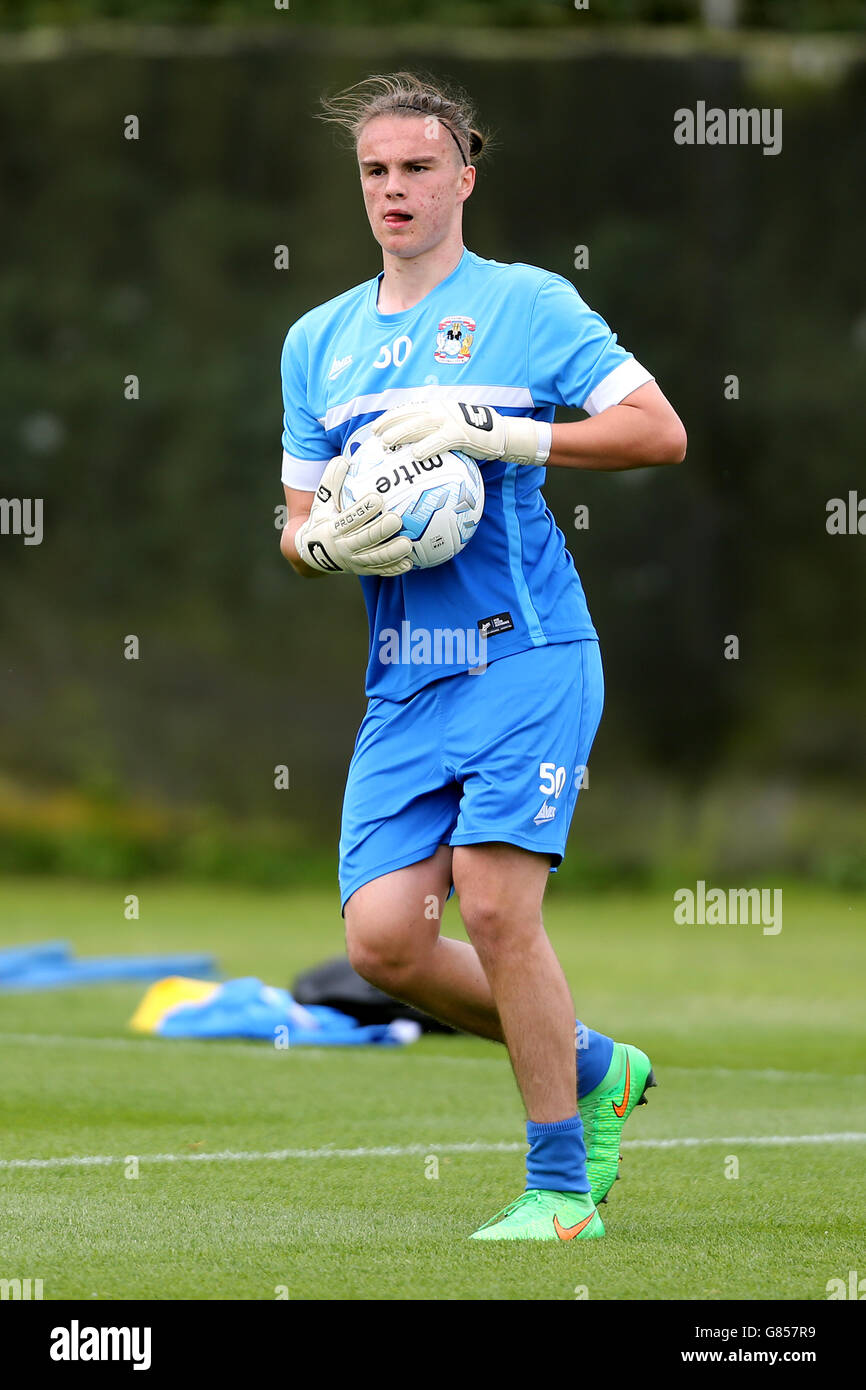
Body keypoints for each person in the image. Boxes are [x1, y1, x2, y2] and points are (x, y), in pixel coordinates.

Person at [279, 71, 685, 1241]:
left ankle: (560, 1191)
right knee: (382, 945)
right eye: (374, 171)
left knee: (501, 912)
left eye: (415, 167)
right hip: (405, 678)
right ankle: (595, 1061)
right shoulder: (318, 341)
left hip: (527, 652)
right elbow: (298, 518)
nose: (394, 189)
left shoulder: (530, 304)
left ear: (463, 175)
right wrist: (318, 543)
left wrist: (491, 429)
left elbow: (658, 431)